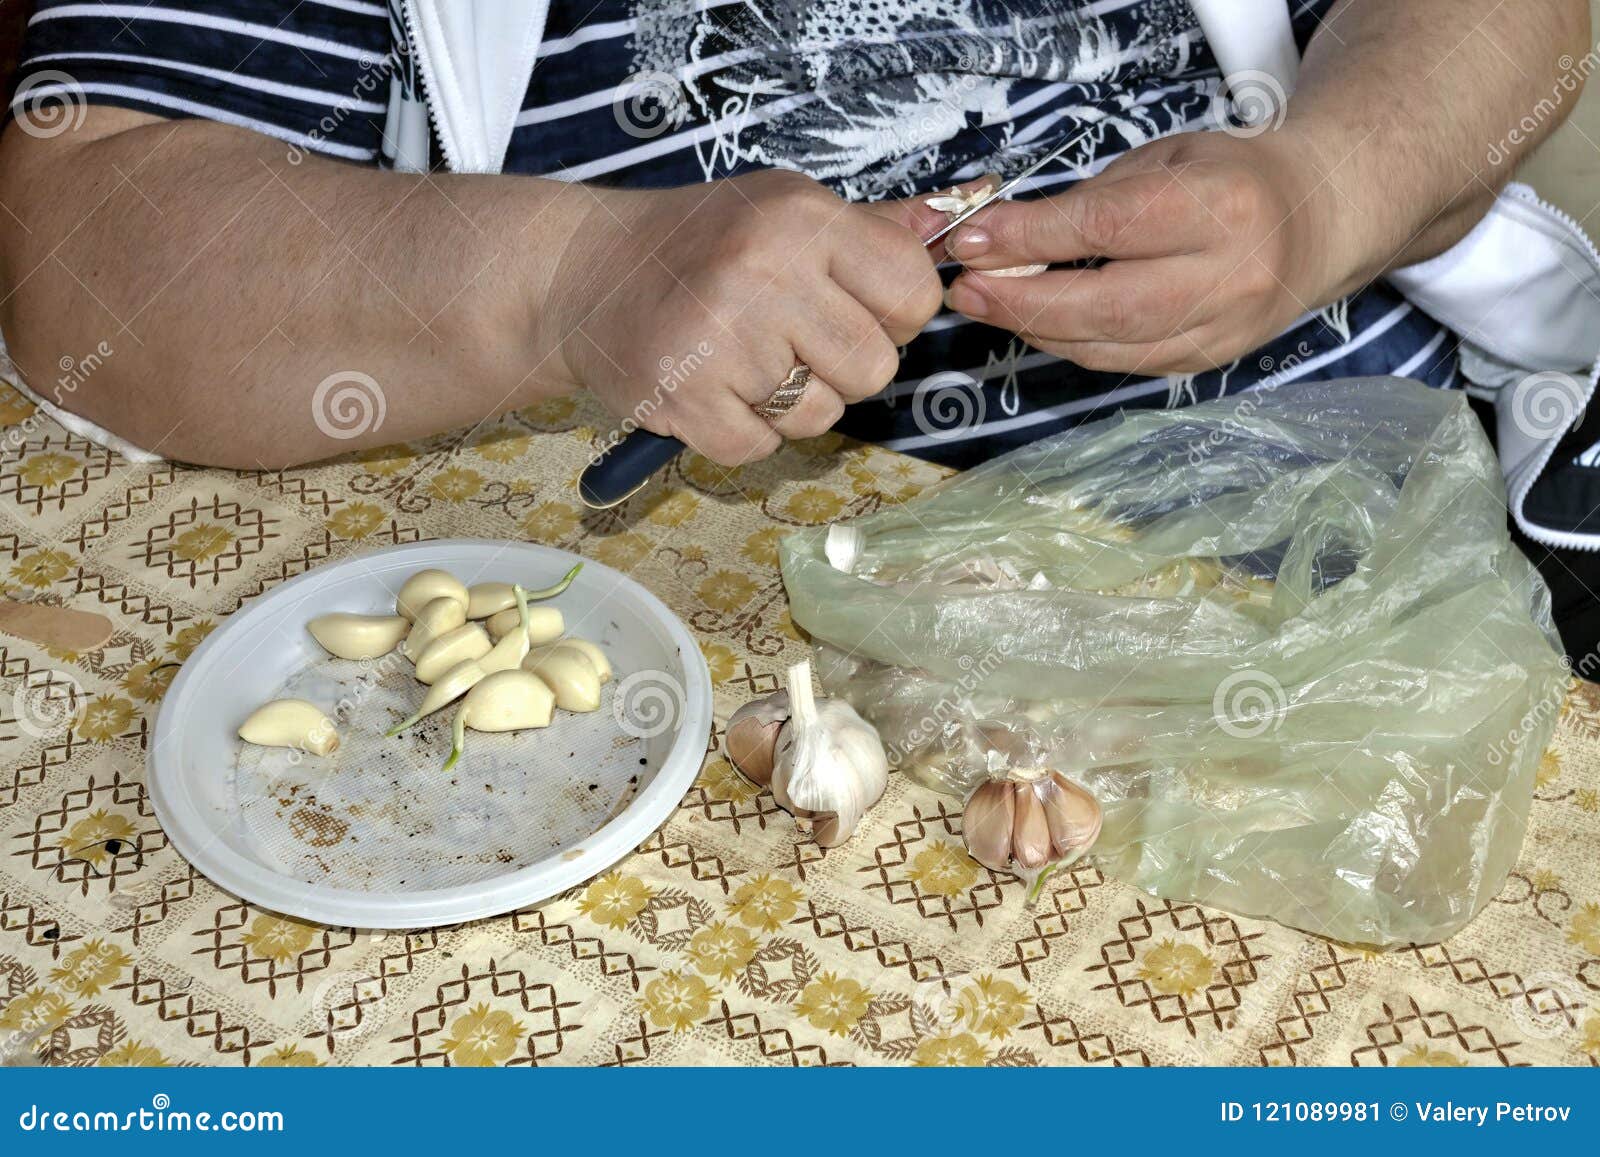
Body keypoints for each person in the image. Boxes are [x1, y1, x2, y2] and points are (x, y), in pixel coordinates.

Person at [0, 1, 1596, 651]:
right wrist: (568, 276)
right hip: (741, 645)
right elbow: (91, 245)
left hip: (1392, 565)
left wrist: (1325, 190)